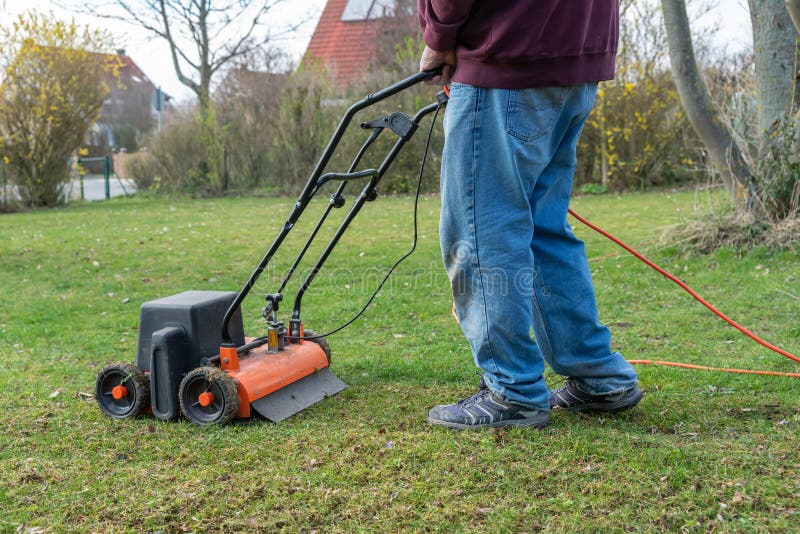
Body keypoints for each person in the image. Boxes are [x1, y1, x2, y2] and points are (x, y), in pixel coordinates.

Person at [419, 0, 643, 430]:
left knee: (481, 231)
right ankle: (598, 375)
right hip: (576, 54)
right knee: (543, 228)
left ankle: (512, 390)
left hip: (508, 52)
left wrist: (439, 36)